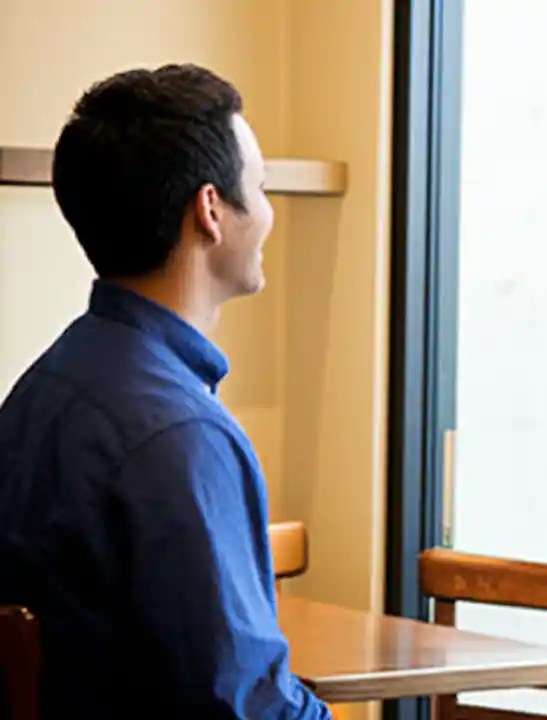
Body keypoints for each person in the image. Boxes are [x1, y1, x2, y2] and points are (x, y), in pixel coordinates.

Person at [0, 65, 330, 719]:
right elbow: (241, 706)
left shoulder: (43, 389)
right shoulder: (178, 433)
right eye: (259, 189)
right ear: (211, 210)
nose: (267, 214)